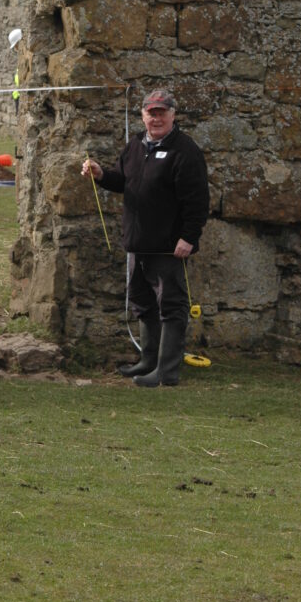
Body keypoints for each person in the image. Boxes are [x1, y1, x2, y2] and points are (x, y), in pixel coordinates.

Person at [81, 88, 209, 387]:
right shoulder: (135, 146)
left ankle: (166, 372)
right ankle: (148, 361)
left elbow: (198, 201)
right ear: (142, 115)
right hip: (138, 245)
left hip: (168, 248)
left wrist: (189, 238)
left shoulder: (185, 151)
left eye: (162, 112)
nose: (156, 118)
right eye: (151, 112)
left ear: (173, 115)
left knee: (171, 306)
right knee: (143, 303)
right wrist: (102, 175)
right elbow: (124, 182)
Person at [8, 28, 22, 115]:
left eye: (16, 45)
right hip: (18, 96)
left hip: (21, 97)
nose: (16, 49)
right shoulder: (21, 58)